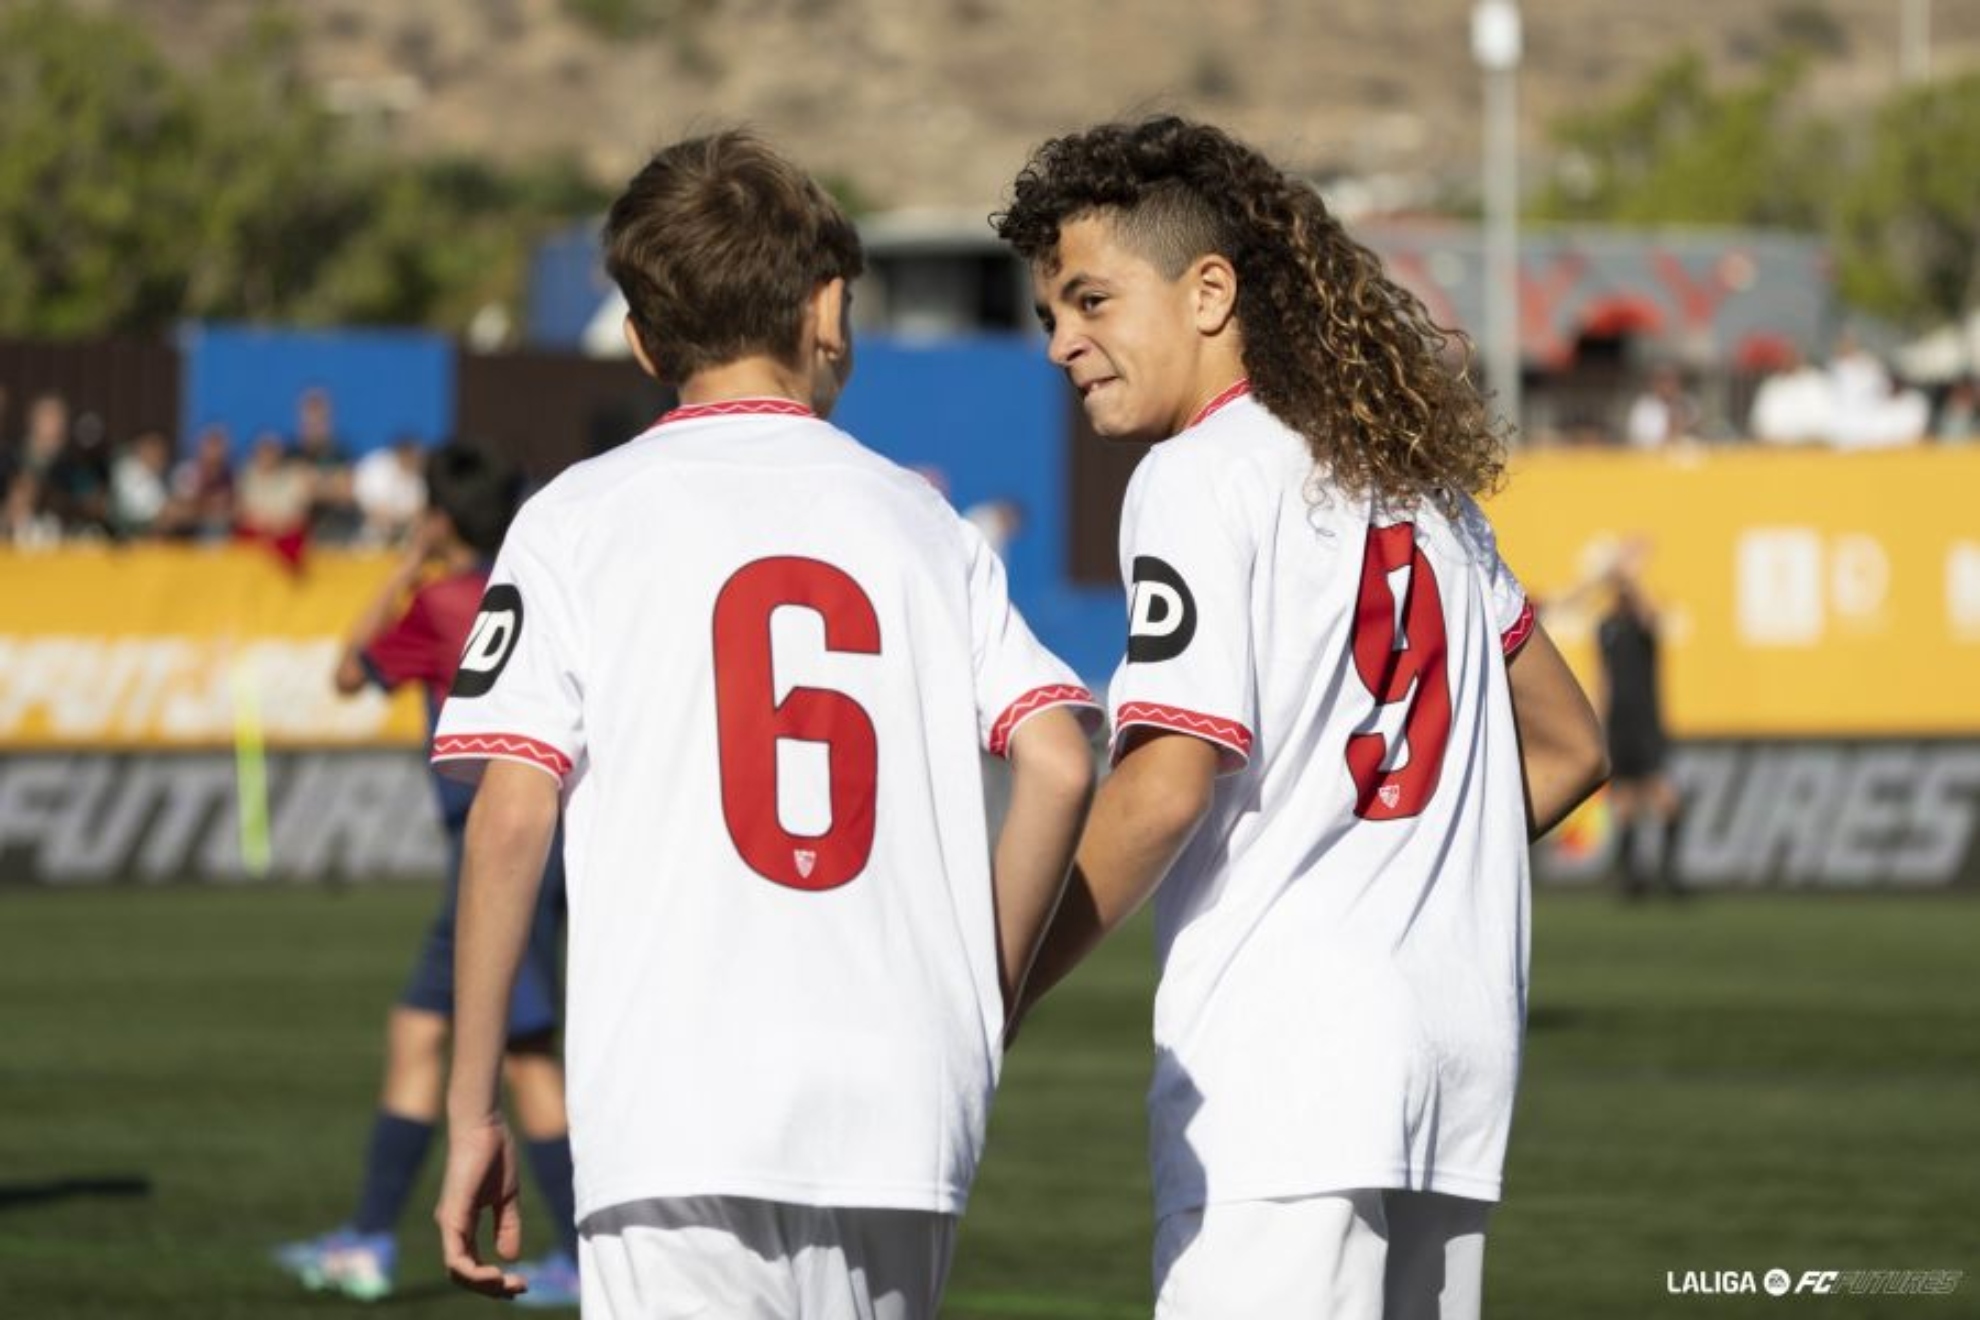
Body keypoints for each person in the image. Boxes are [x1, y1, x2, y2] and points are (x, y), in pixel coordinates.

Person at [431, 131, 1098, 1318]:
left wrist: (475, 1104)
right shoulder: (925, 525)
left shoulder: (575, 520)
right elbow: (1057, 756)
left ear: (641, 339)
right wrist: (973, 996)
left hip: (675, 1110)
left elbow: (511, 814)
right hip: (898, 1105)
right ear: (829, 307)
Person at [993, 116, 1608, 1319]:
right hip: (1456, 1061)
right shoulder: (1417, 485)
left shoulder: (1198, 474)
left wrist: (996, 986)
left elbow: (1163, 785)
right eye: (1049, 316)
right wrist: (1404, 859)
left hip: (1288, 1070)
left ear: (1208, 290)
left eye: (1092, 302)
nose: (1064, 342)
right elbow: (1572, 747)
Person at [276, 443, 581, 1308]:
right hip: (524, 848)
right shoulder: (533, 590)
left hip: (496, 854)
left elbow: (347, 671)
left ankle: (584, 1252)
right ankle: (367, 1240)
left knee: (526, 1063)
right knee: (418, 1033)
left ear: (440, 517)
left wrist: (407, 562)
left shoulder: (444, 600)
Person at [1593, 538, 1684, 898]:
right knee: (1625, 802)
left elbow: (1653, 616)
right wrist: (1601, 722)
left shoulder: (1644, 625)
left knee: (1664, 797)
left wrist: (1634, 576)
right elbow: (1603, 679)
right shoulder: (1605, 627)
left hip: (1646, 722)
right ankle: (1631, 879)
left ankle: (1669, 874)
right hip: (1619, 723)